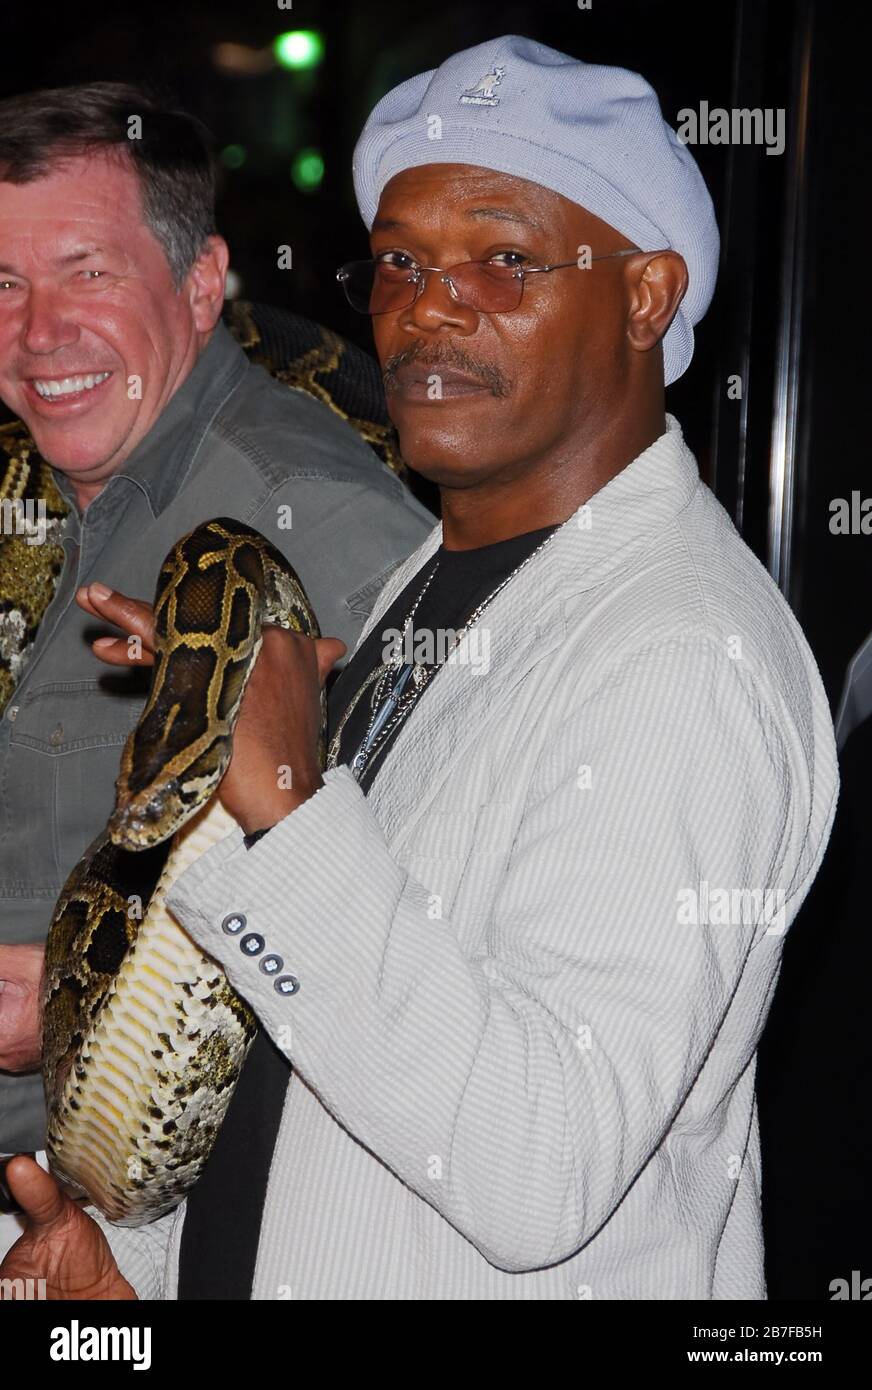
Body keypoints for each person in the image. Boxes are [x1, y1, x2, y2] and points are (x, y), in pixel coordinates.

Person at [1, 36, 837, 1300]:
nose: (428, 305)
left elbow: (537, 1167)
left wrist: (282, 802)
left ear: (645, 297)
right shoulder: (430, 589)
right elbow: (324, 1056)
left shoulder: (677, 653)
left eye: (503, 259)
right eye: (398, 262)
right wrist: (138, 1271)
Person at [0, 82, 434, 1170]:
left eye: (86, 273)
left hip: (124, 1233)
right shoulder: (56, 484)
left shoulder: (318, 522)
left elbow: (412, 959)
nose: (37, 333)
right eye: (1, 283)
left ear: (202, 287)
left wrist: (57, 1001)